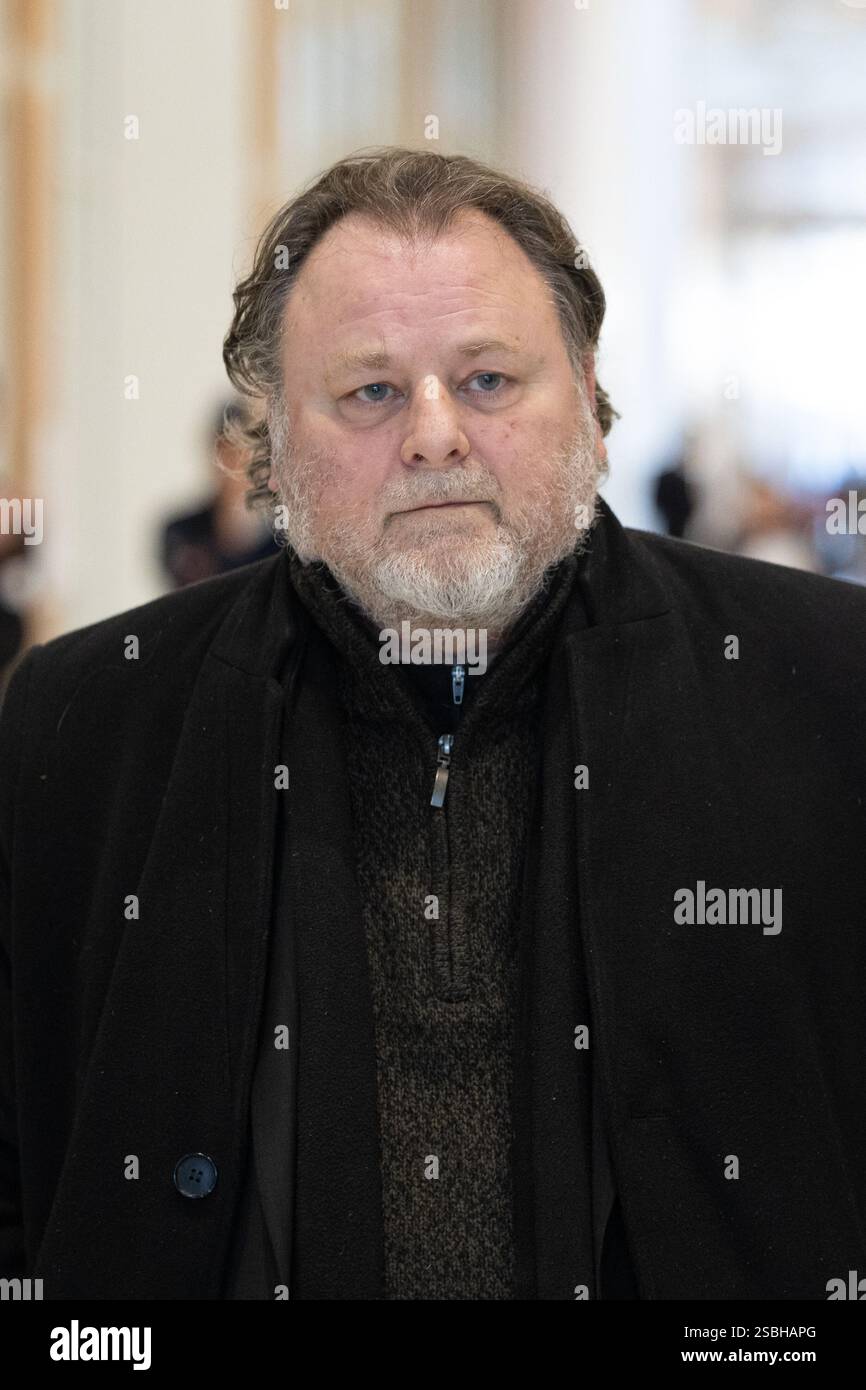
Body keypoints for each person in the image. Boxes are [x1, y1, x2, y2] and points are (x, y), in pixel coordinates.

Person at [1, 147, 865, 1302]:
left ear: (593, 408)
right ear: (272, 451)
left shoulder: (817, 685)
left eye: (489, 381)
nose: (433, 435)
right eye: (368, 391)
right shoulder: (87, 724)